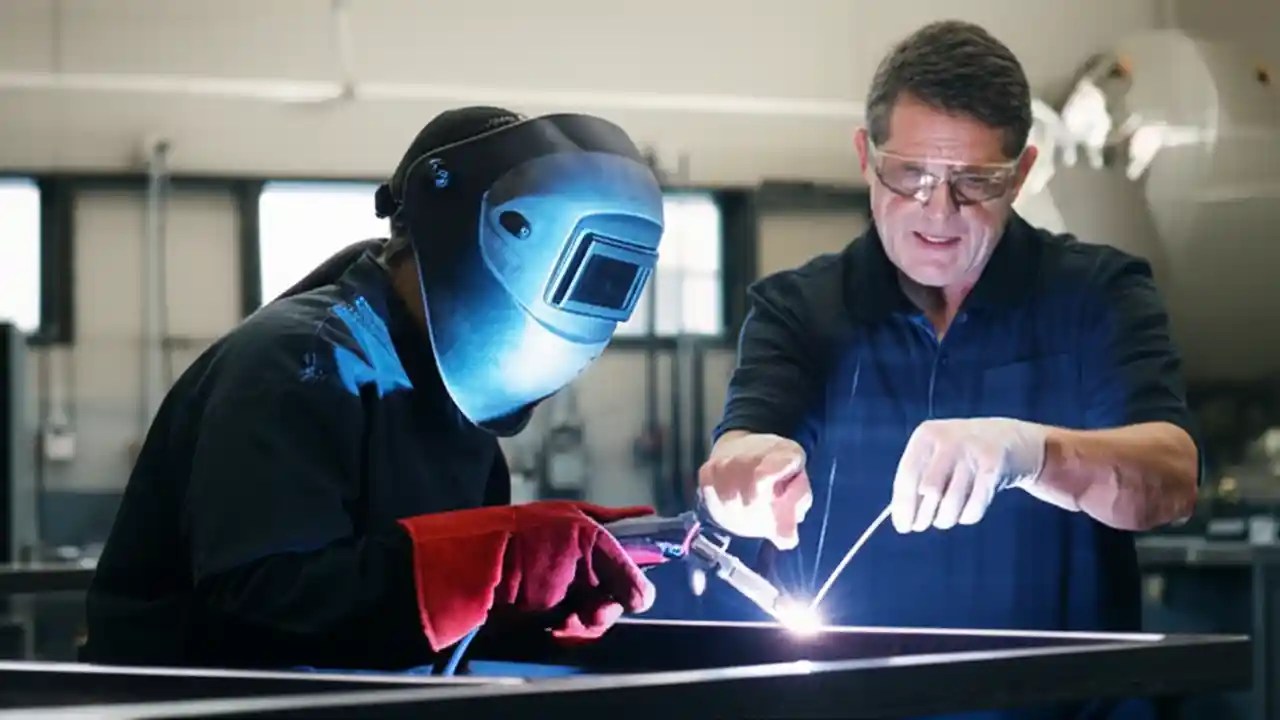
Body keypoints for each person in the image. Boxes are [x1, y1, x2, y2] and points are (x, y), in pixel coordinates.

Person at [696, 20, 1200, 720]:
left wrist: (1031, 452)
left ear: (1021, 174)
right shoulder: (798, 309)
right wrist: (742, 475)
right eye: (911, 176)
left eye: (974, 182)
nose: (939, 210)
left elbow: (1171, 481)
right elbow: (744, 442)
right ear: (866, 158)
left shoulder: (1096, 296)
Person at [81, 107, 667, 670]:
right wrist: (489, 561)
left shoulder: (452, 397)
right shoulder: (300, 363)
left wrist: (541, 589)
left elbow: (412, 621)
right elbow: (257, 604)